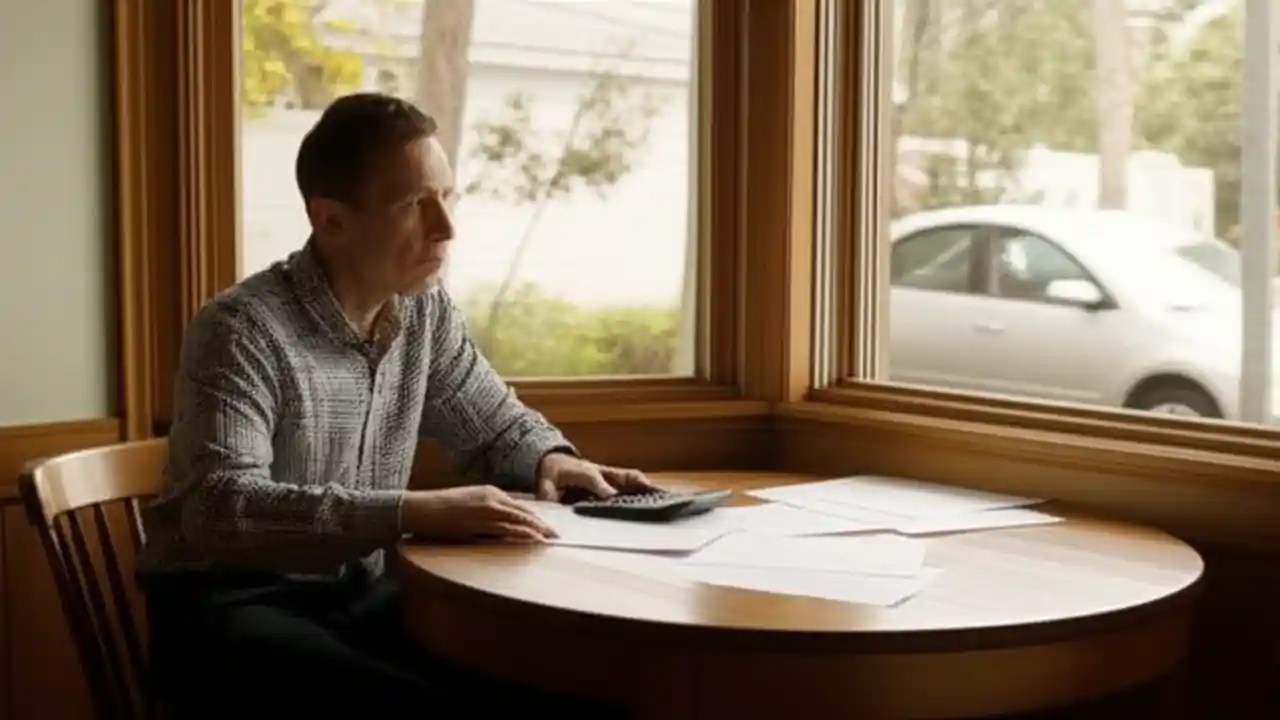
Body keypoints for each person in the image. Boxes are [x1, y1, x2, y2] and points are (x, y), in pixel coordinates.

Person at [136, 92, 652, 714]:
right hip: (229, 612)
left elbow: (493, 424)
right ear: (331, 220)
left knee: (579, 689)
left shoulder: (423, 310)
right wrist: (414, 511)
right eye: (414, 204)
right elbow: (222, 510)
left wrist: (548, 459)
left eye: (448, 197)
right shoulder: (241, 328)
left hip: (354, 596)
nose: (446, 227)